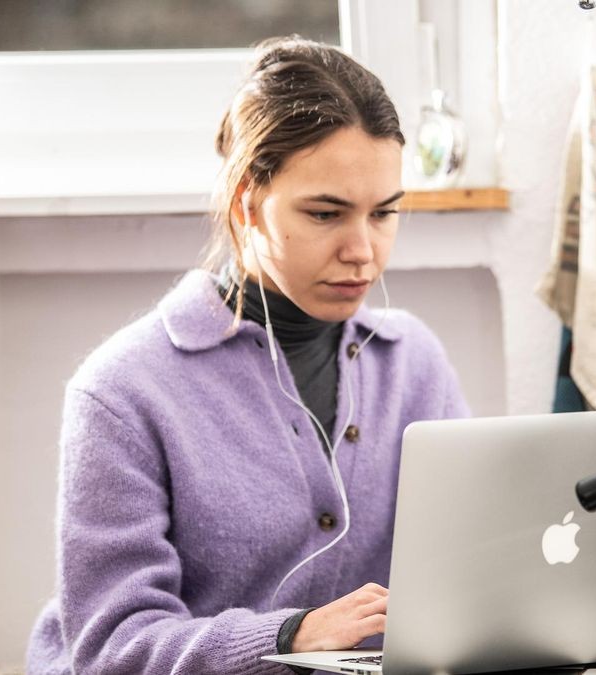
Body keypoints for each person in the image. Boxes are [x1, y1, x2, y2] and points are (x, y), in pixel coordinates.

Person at [26, 36, 469, 674]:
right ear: (246, 204)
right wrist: (289, 637)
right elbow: (111, 648)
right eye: (325, 213)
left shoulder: (414, 362)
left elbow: (473, 565)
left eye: (384, 213)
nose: (363, 251)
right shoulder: (122, 393)